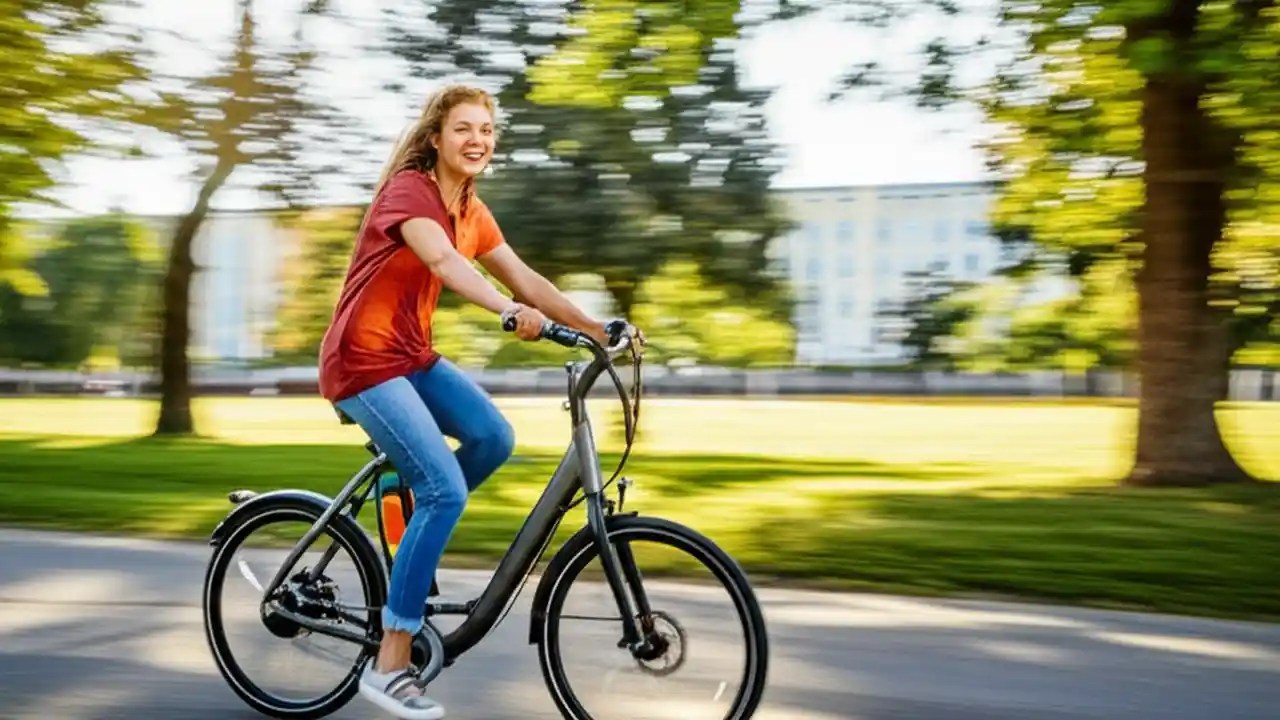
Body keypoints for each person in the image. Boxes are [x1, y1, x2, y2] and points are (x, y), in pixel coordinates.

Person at [318, 83, 635, 720]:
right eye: (464, 129)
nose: (477, 141)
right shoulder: (410, 191)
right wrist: (505, 311)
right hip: (361, 362)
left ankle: (409, 514)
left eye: (486, 131)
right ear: (436, 138)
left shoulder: (473, 210)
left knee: (494, 439)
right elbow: (441, 262)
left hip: (410, 357)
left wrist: (601, 330)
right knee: (446, 491)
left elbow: (527, 279)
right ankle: (390, 662)